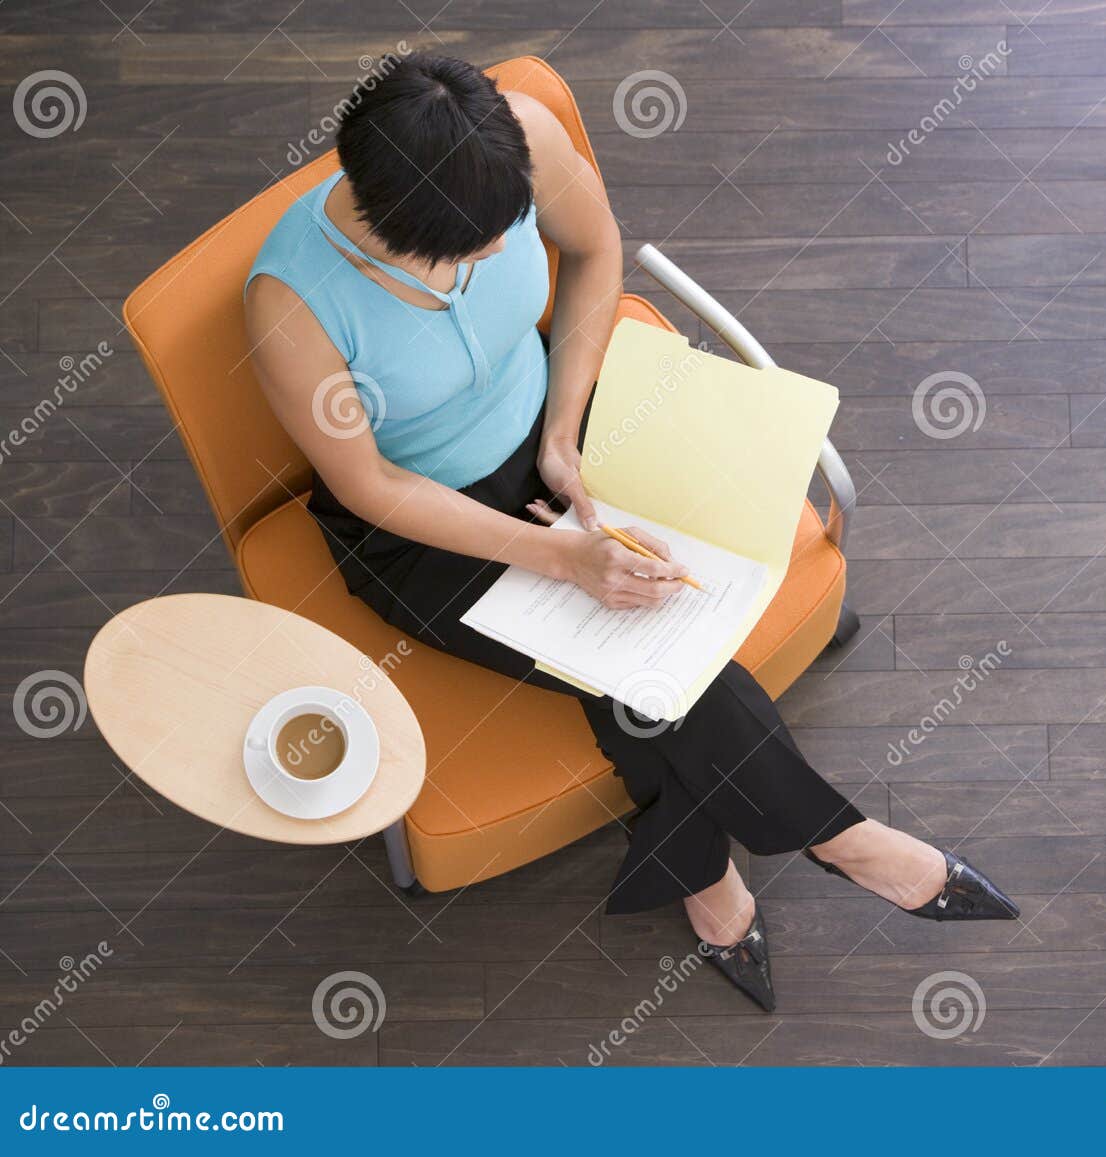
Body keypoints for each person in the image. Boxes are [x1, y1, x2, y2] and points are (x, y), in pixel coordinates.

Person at [243, 53, 1017, 1011]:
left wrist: (565, 425)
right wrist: (559, 556)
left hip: (563, 418)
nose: (493, 258)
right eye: (467, 250)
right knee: (635, 654)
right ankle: (840, 838)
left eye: (502, 237)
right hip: (424, 521)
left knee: (653, 633)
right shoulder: (291, 303)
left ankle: (701, 874)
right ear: (388, 219)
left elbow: (597, 249)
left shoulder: (517, 132)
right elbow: (367, 484)